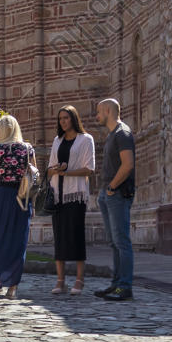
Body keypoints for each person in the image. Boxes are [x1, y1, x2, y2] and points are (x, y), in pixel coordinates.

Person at [0, 114, 37, 298]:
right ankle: (13, 287)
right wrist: (33, 204)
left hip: (2, 195)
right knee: (18, 242)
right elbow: (33, 180)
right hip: (23, 197)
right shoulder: (28, 149)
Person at [47, 105, 95, 295]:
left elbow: (89, 169)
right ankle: (60, 281)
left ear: (74, 119)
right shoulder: (56, 141)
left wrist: (67, 171)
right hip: (58, 195)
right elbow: (49, 169)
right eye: (60, 119)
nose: (63, 122)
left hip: (75, 195)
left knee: (75, 236)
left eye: (66, 118)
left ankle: (79, 280)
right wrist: (57, 168)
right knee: (59, 238)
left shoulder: (86, 140)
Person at [93, 97, 136, 301]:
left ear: (108, 110)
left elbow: (127, 165)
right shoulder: (112, 135)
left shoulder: (123, 133)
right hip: (108, 194)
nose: (97, 116)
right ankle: (117, 283)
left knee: (122, 241)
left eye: (99, 112)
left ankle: (125, 287)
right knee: (113, 242)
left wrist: (111, 187)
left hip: (117, 193)